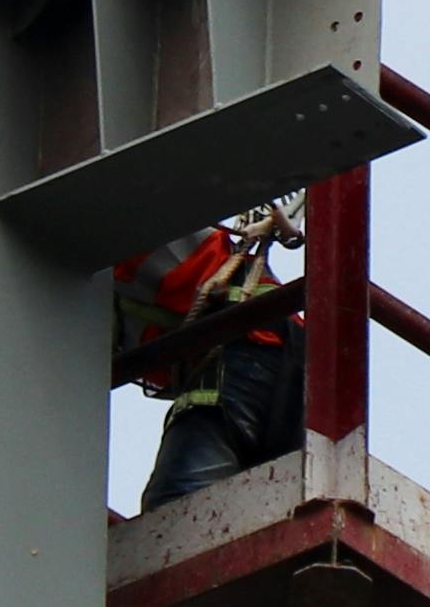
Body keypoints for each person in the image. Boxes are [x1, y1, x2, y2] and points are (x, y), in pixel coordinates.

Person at [124, 213, 309, 510]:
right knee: (270, 514)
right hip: (286, 359)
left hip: (243, 346)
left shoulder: (103, 254)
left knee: (174, 511)